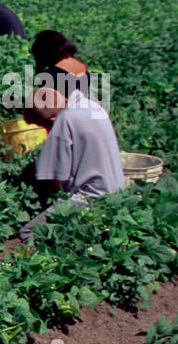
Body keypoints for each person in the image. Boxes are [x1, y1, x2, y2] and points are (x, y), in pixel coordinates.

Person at [17, 62, 125, 244]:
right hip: (117, 191)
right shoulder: (91, 105)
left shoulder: (65, 120)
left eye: (43, 126)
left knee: (27, 234)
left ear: (51, 119)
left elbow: (55, 179)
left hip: (92, 198)